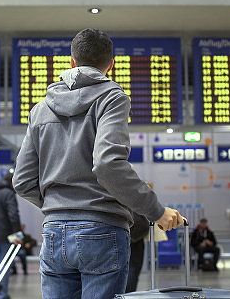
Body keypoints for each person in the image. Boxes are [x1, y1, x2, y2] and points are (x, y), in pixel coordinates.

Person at [12, 28, 184, 299]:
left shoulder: (40, 109)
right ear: (110, 65)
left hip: (54, 232)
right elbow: (107, 164)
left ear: (71, 62)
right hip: (102, 230)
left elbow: (22, 181)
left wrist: (60, 206)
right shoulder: (112, 98)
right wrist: (156, 211)